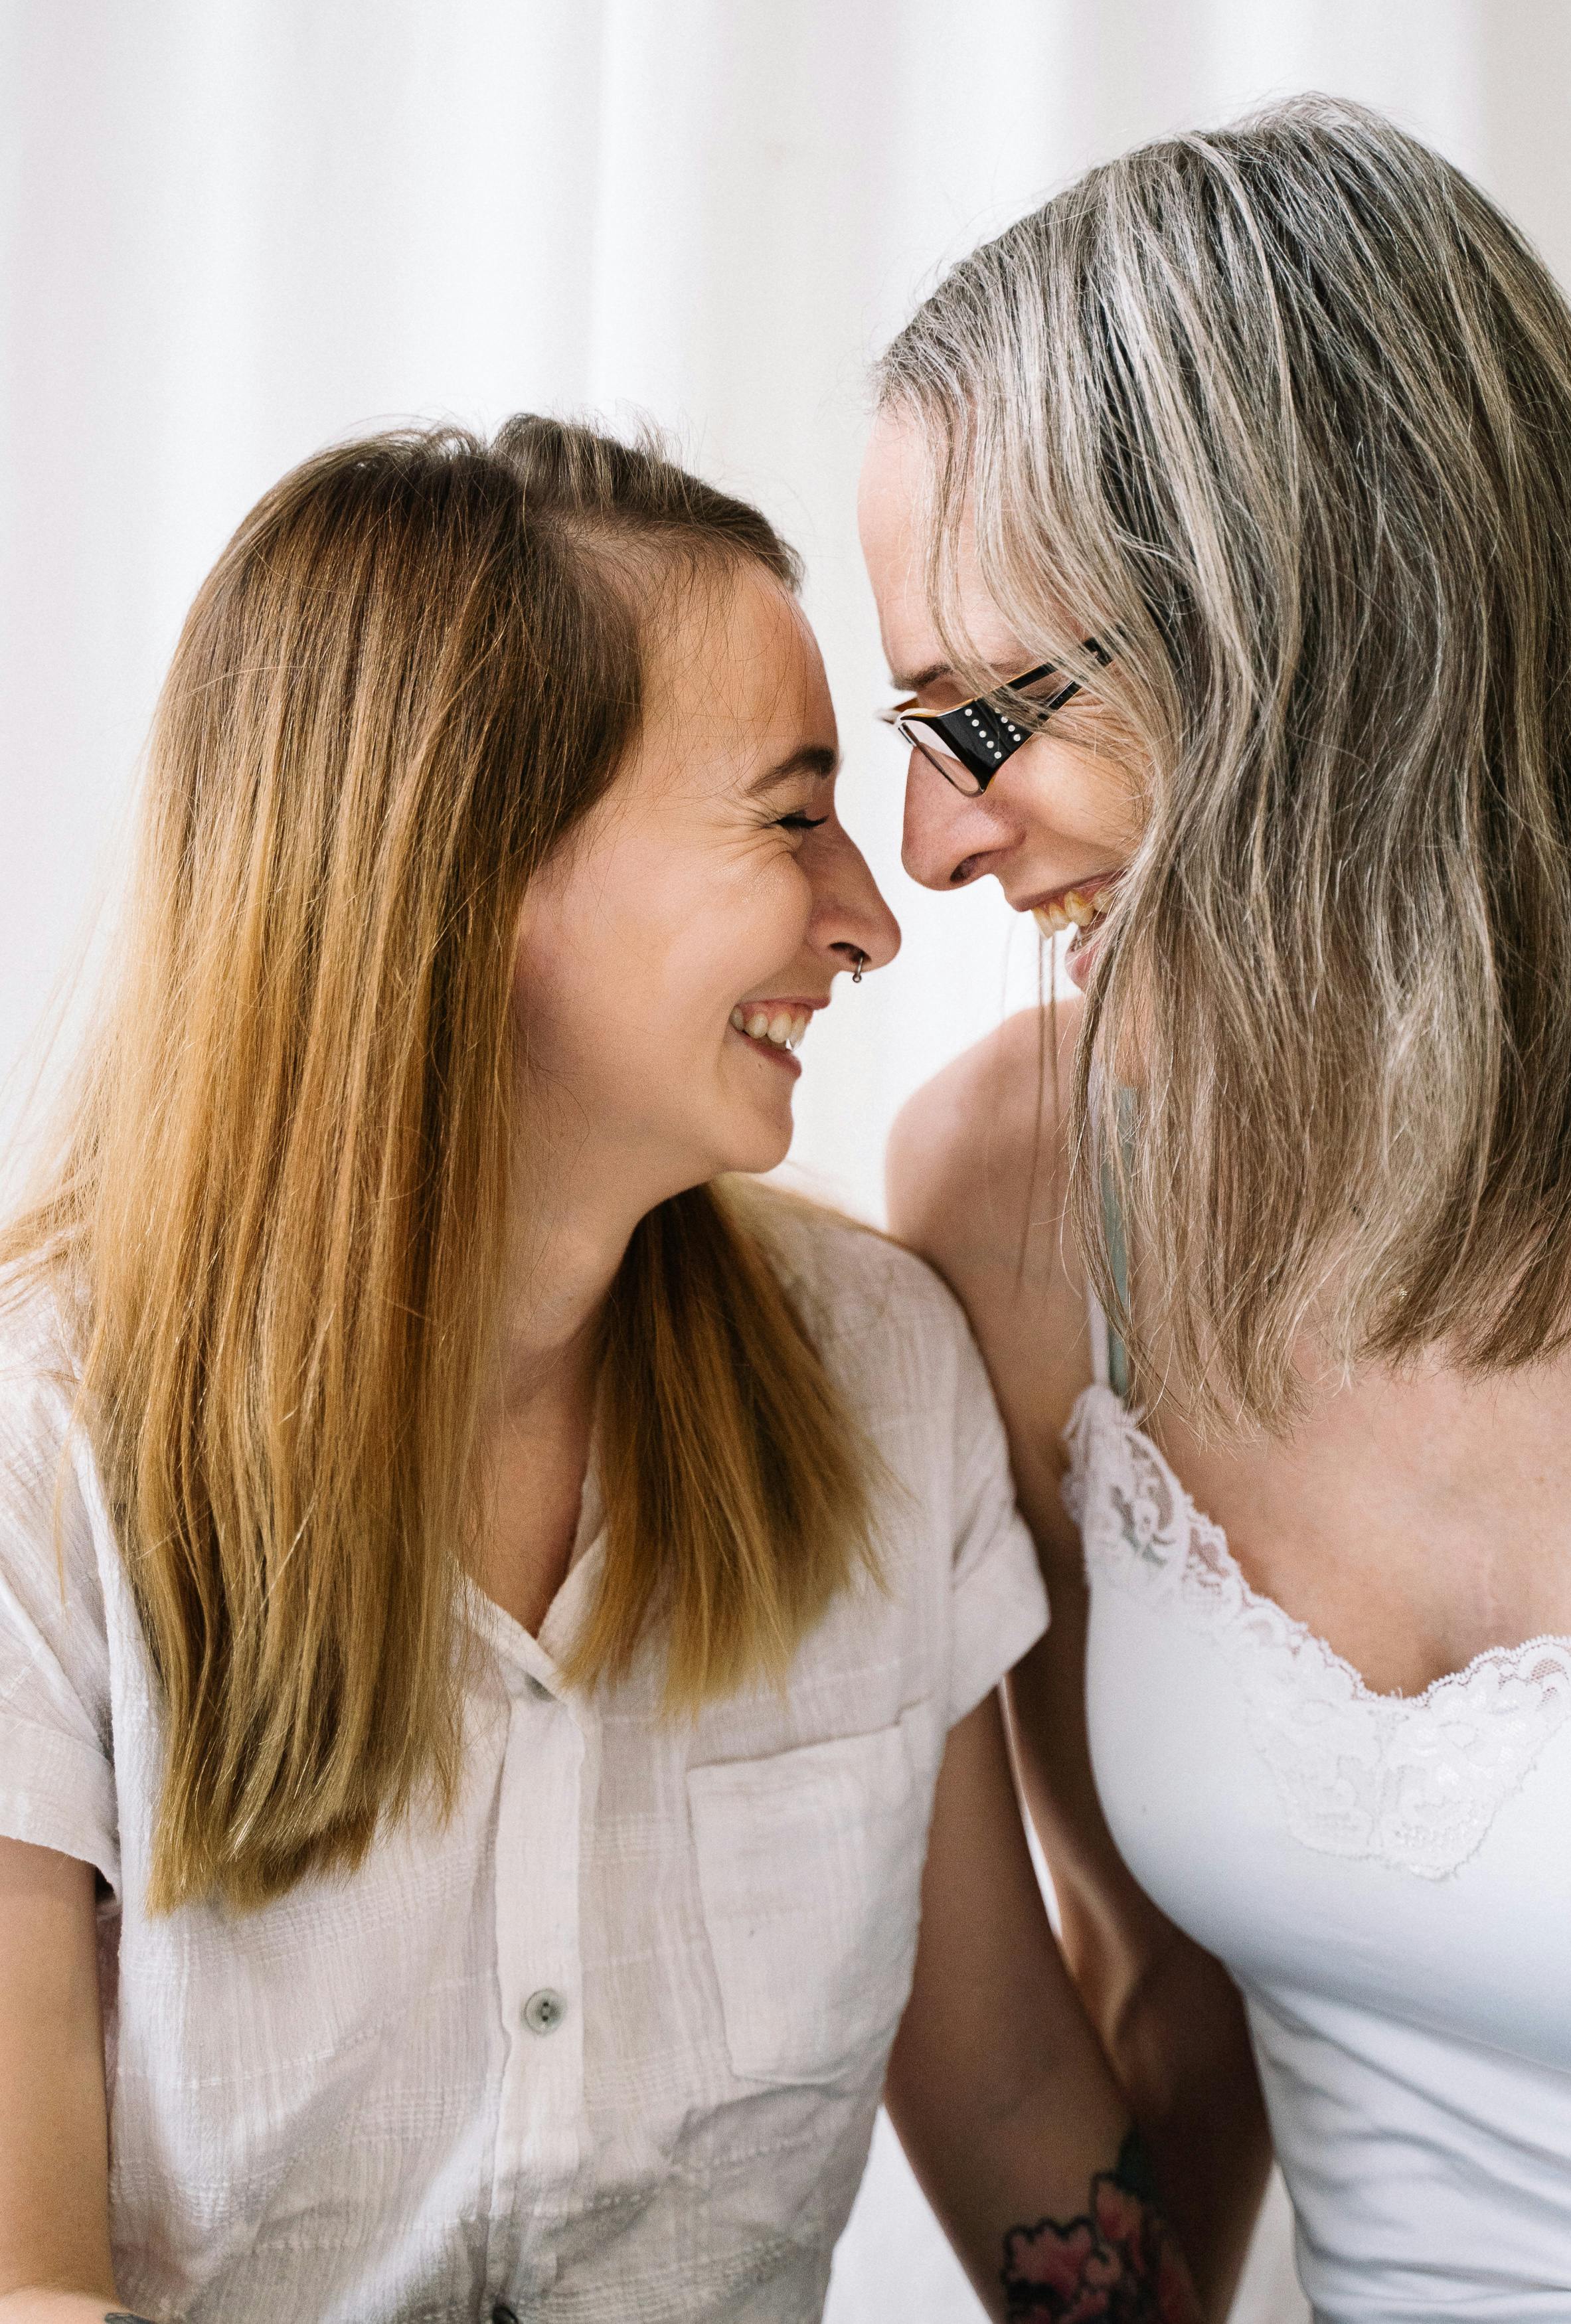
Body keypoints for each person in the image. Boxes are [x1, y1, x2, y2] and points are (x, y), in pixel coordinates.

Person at [0, 418, 1203, 2324]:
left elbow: (1015, 2120)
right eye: (787, 817)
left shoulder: (881, 1376)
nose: (872, 915)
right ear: (467, 862)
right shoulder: (40, 1455)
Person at [863, 96, 1571, 2324]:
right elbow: (1175, 2009)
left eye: (987, 715)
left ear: (1326, 636)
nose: (930, 842)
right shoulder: (1024, 1199)